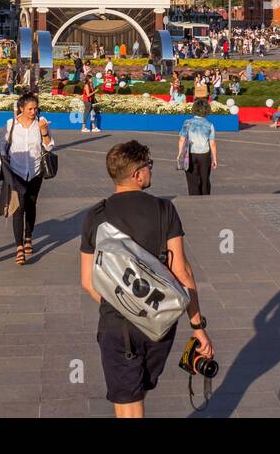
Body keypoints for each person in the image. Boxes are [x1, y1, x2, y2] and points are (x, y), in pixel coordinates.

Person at [80, 141, 212, 418]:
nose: (151, 171)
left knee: (128, 397)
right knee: (132, 393)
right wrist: (197, 326)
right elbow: (182, 272)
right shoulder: (164, 210)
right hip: (159, 322)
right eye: (149, 166)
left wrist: (122, 303)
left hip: (117, 323)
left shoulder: (97, 215)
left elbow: (88, 280)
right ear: (137, 174)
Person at [0, 92, 55, 265]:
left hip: (36, 172)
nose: (33, 111)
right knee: (18, 208)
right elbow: (2, 146)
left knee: (31, 205)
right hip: (16, 172)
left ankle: (28, 236)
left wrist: (44, 132)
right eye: (30, 108)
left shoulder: (41, 122)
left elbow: (49, 146)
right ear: (21, 108)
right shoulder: (11, 124)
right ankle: (19, 247)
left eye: (35, 108)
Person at [177, 100, 218, 196]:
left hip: (190, 154)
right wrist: (214, 159)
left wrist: (179, 155)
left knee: (192, 181)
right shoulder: (210, 125)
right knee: (205, 179)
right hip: (204, 155)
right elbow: (212, 144)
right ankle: (205, 197)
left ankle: (194, 199)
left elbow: (181, 140)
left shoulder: (187, 123)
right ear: (207, 110)